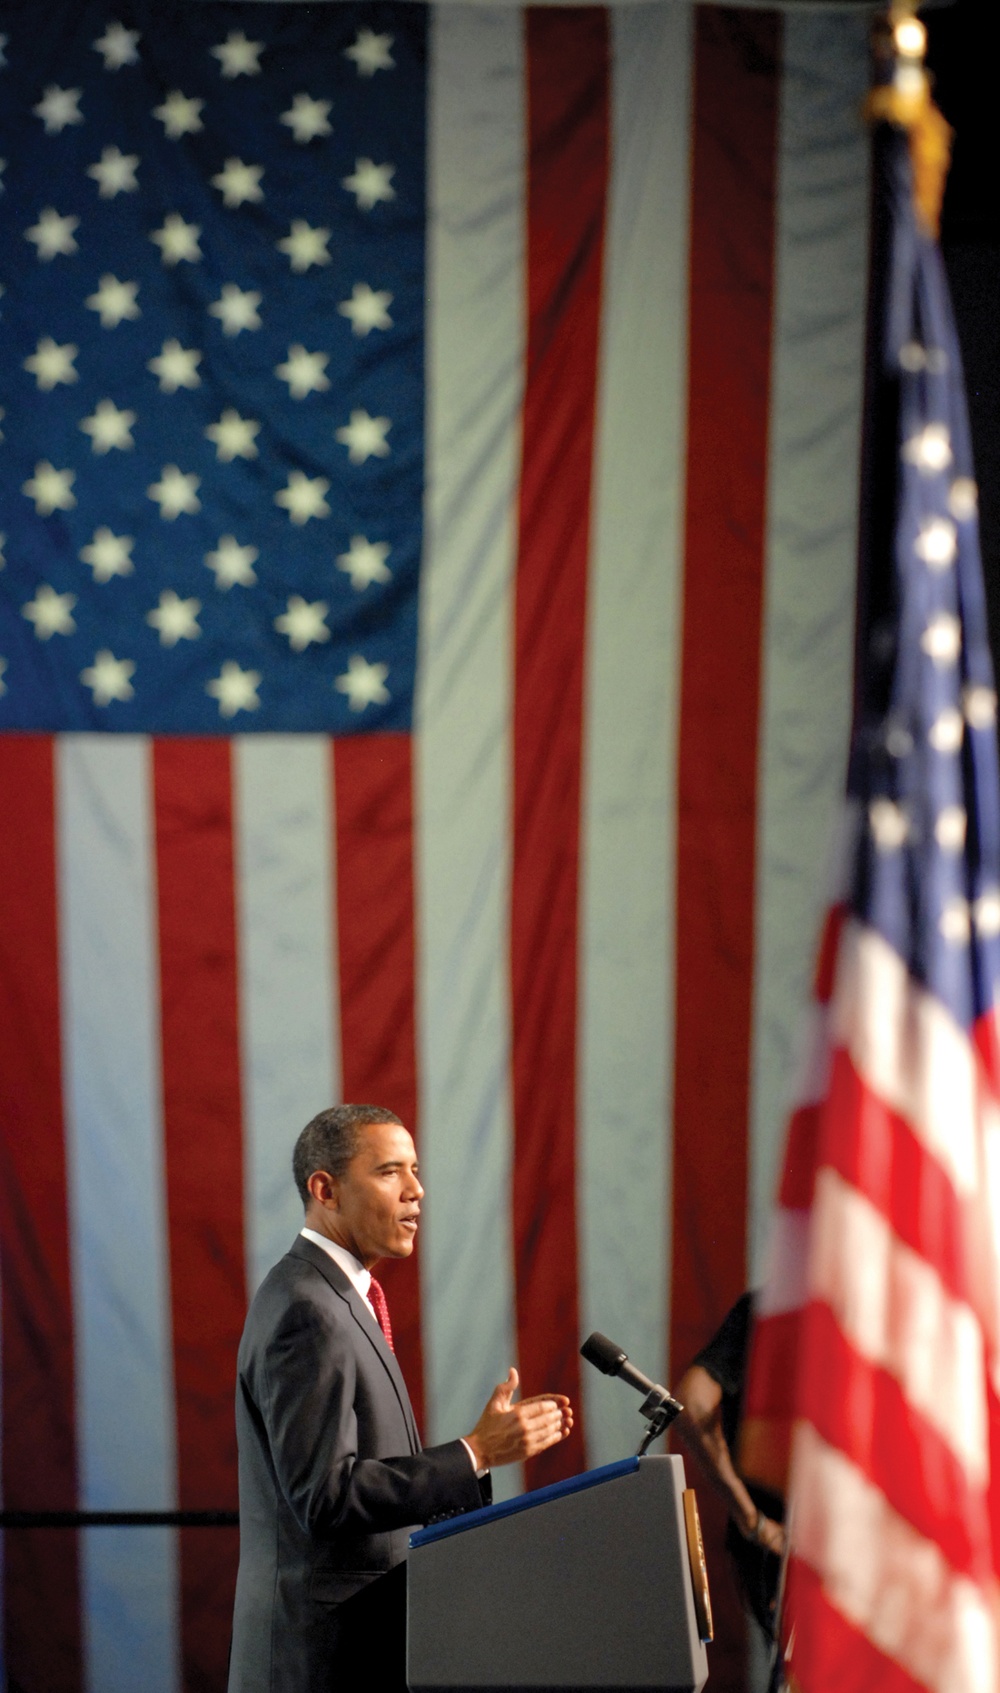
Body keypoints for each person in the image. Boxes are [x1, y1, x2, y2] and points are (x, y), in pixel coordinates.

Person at [228, 1103, 573, 1693]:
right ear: (325, 1189)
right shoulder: (308, 1311)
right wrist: (472, 1454)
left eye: (415, 1170)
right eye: (390, 1172)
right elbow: (325, 1497)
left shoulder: (339, 1296)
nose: (416, 1190)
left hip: (360, 1648)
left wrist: (473, 1458)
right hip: (319, 1662)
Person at [672, 1292, 785, 1638]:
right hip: (792, 1552)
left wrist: (753, 1522)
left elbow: (693, 1405)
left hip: (776, 1547)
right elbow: (691, 1405)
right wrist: (756, 1523)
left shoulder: (772, 1306)